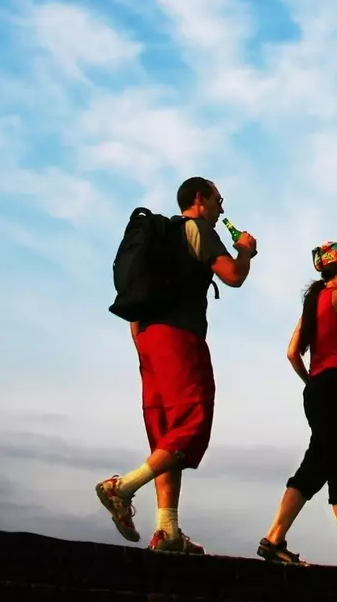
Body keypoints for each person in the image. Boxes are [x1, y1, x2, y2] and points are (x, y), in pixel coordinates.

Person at [94, 176, 256, 553]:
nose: (221, 209)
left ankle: (168, 531)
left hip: (148, 338)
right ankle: (122, 488)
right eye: (218, 200)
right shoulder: (197, 228)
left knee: (167, 431)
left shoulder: (159, 239)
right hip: (181, 337)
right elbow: (233, 276)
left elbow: (135, 302)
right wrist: (244, 250)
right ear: (199, 199)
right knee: (194, 421)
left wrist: (144, 345)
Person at [256, 241, 337, 569]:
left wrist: (311, 382)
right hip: (333, 389)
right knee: (318, 464)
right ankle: (274, 539)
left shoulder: (314, 301)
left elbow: (292, 352)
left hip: (321, 389)